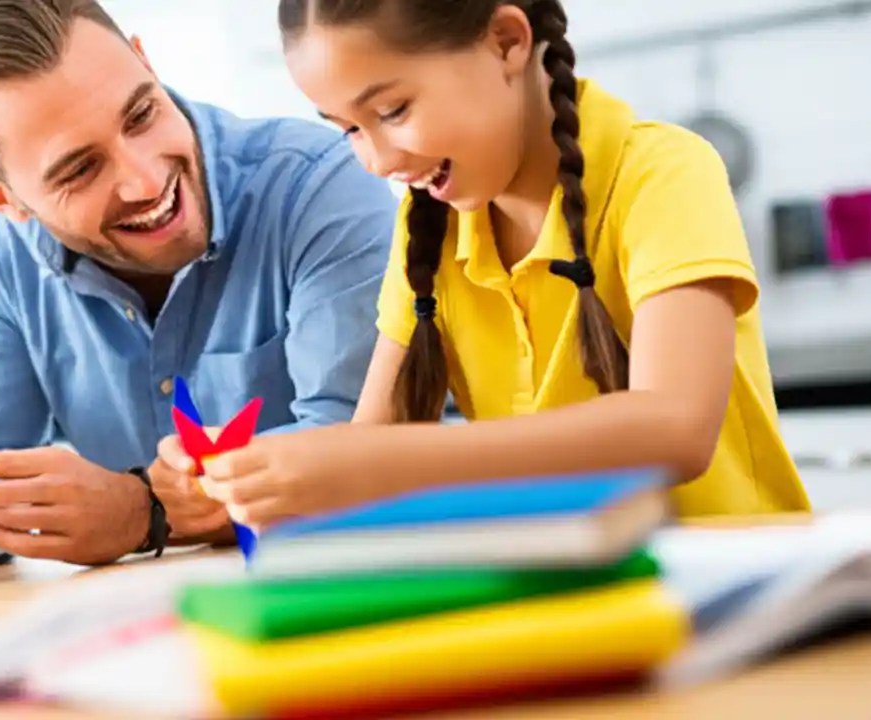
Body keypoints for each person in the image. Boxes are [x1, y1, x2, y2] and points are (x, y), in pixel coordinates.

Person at [0, 0, 397, 592]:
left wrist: (144, 510)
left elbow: (360, 456)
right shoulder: (5, 253)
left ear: (144, 61)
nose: (146, 180)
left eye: (141, 114)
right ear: (3, 199)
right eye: (79, 169)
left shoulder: (323, 185)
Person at [183, 0, 811, 531]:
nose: (375, 161)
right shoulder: (427, 230)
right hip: (585, 607)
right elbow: (370, 440)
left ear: (507, 41)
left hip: (746, 591)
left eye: (393, 111)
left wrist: (388, 462)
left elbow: (673, 430)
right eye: (348, 129)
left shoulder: (663, 172)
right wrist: (251, 470)